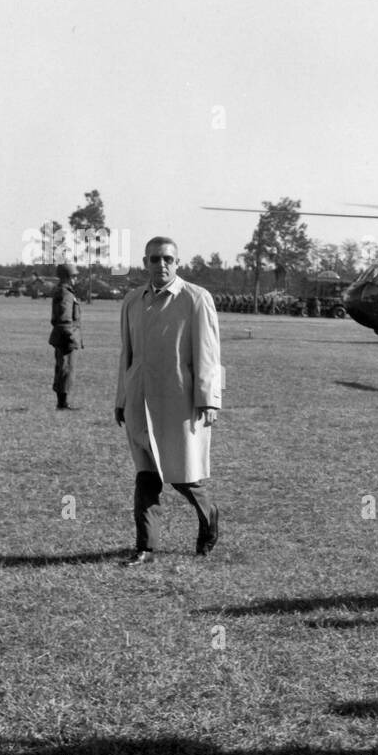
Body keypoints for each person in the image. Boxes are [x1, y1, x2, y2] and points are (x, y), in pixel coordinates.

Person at [115, 236, 222, 565]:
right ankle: (145, 546)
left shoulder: (196, 299)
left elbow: (208, 352)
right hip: (139, 400)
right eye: (154, 259)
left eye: (168, 259)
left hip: (178, 402)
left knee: (183, 475)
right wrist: (122, 397)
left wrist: (209, 399)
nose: (161, 265)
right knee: (146, 476)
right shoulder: (133, 301)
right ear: (144, 263)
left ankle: (209, 519)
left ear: (178, 263)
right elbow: (127, 355)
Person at [50, 263, 83, 410]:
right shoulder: (66, 294)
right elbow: (64, 316)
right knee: (66, 369)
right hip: (66, 336)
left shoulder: (62, 291)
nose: (75, 279)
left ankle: (61, 402)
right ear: (67, 277)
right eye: (74, 276)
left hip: (62, 334)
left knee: (63, 368)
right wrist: (70, 335)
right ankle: (62, 403)